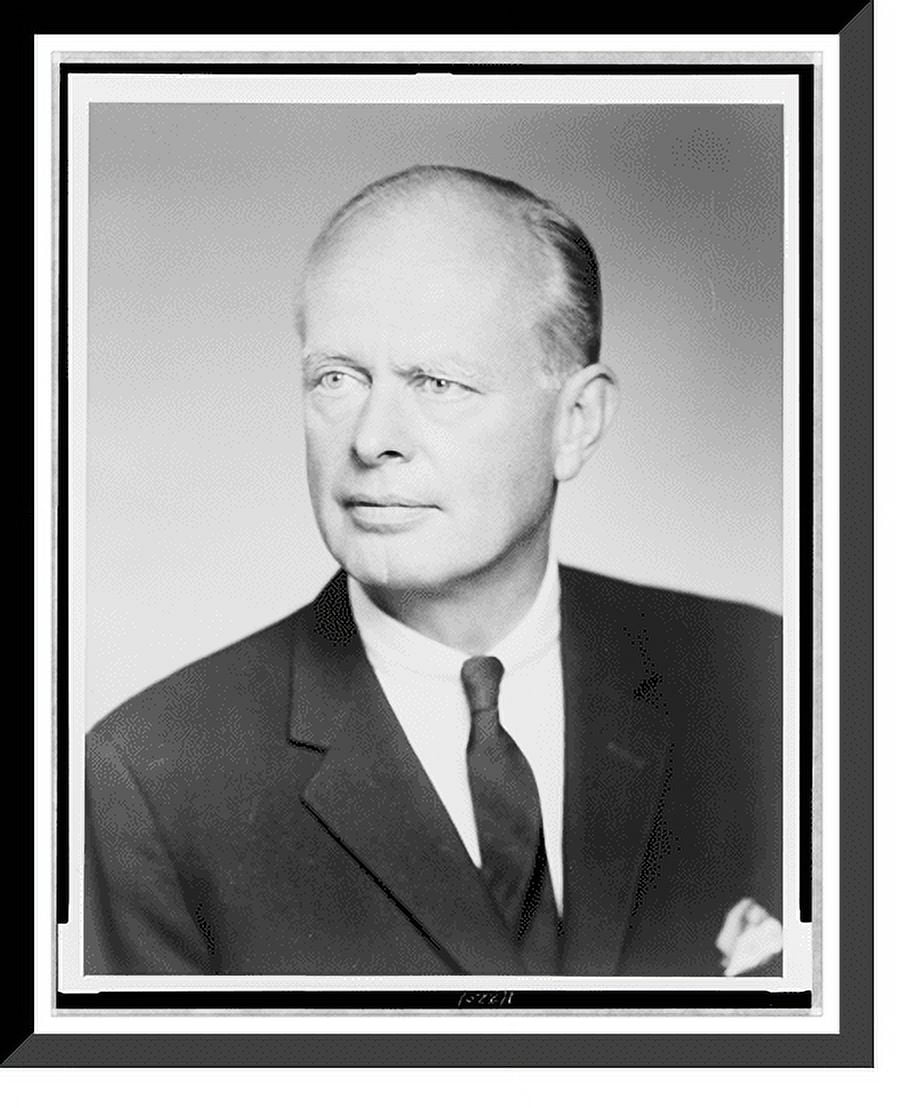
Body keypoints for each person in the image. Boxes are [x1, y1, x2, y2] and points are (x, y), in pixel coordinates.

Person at [85, 165, 782, 977]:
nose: (372, 436)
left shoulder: (763, 678)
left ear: (577, 423)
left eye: (437, 382)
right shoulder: (152, 778)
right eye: (336, 379)